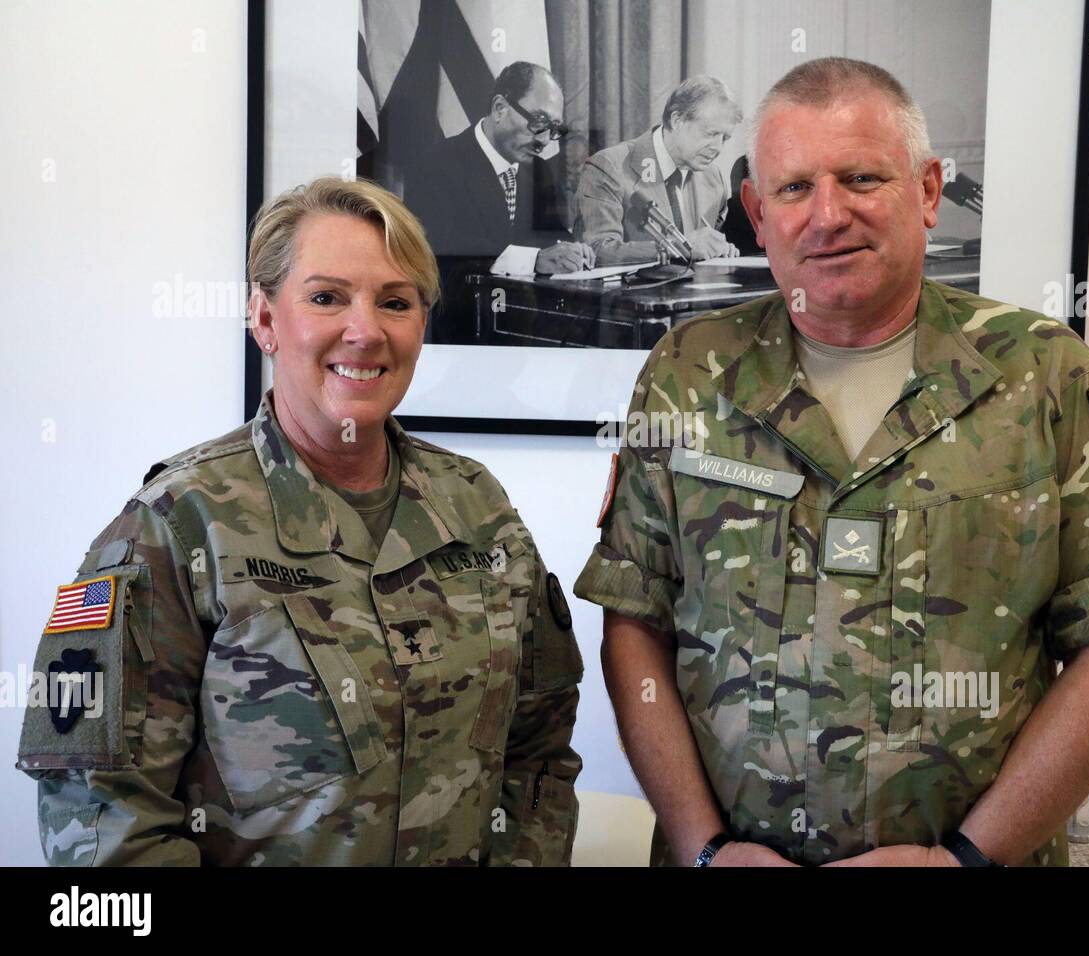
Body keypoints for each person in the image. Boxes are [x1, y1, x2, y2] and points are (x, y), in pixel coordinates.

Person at [573, 57, 1089, 868]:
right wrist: (704, 849)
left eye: (862, 177)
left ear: (929, 191)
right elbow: (636, 623)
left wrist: (964, 860)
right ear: (756, 213)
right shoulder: (686, 372)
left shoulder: (1046, 373)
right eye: (794, 189)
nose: (827, 215)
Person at [17, 176, 584, 866]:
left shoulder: (479, 507)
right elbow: (101, 819)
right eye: (326, 298)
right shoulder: (176, 524)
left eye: (395, 302)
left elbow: (541, 752)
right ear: (264, 320)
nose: (366, 330)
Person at [404, 61, 595, 345]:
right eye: (538, 122)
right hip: (460, 339)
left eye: (553, 128)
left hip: (530, 333)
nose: (544, 140)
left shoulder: (540, 171)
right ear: (499, 109)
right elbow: (443, 256)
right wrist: (535, 259)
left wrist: (572, 251)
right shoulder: (436, 165)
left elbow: (550, 237)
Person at [574, 75, 742, 266]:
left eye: (725, 138)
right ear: (677, 120)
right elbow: (595, 251)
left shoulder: (713, 178)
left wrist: (720, 249)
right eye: (710, 134)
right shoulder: (608, 166)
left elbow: (706, 249)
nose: (718, 148)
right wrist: (680, 247)